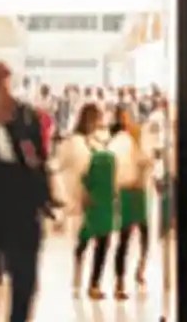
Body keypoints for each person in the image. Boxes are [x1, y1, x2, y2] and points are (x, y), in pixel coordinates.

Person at [0, 61, 51, 322]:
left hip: (24, 204)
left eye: (2, 77)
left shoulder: (27, 116)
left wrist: (43, 196)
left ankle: (19, 317)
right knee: (4, 263)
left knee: (25, 273)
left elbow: (37, 159)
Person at [58, 102, 117, 299]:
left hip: (97, 198)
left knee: (101, 240)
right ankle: (81, 277)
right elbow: (61, 168)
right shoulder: (74, 143)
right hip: (81, 199)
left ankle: (93, 282)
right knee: (86, 239)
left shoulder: (95, 143)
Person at [110, 107, 153, 300]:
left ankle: (140, 269)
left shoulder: (138, 139)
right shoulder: (118, 142)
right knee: (125, 238)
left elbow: (147, 160)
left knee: (144, 233)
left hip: (138, 192)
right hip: (127, 191)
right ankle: (120, 280)